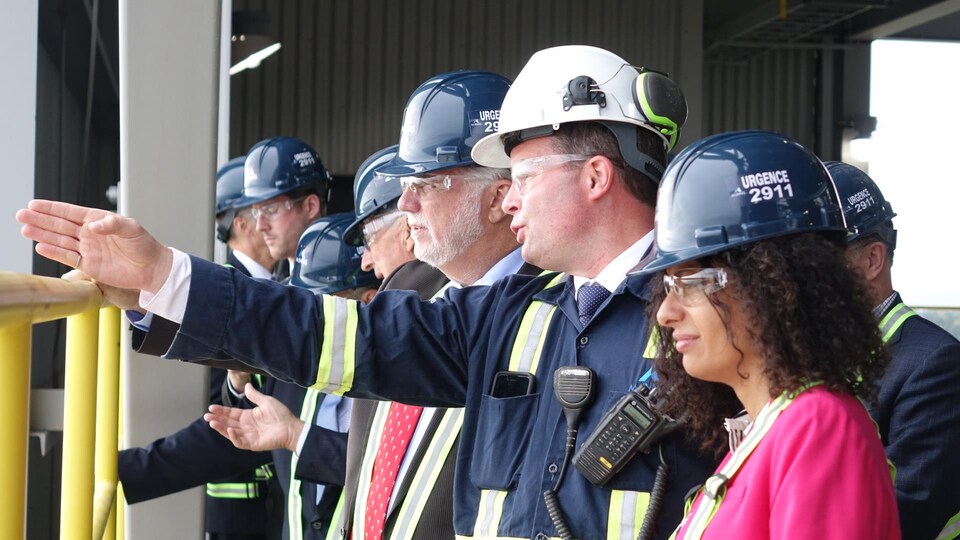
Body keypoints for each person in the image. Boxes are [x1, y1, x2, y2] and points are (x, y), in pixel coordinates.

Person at [18, 45, 715, 539]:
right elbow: (342, 337)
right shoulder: (519, 313)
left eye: (525, 178)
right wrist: (166, 275)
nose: (512, 200)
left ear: (596, 178)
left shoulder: (709, 320)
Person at [634, 130, 899, 538]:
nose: (666, 313)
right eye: (667, 287)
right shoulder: (772, 429)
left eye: (690, 282)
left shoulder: (818, 425)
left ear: (773, 284)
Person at [118, 157, 280, 540]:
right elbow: (216, 411)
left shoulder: (281, 285)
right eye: (266, 209)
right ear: (242, 223)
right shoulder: (222, 293)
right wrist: (129, 472)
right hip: (241, 515)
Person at [827, 161, 960, 540]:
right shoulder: (808, 359)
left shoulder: (934, 365)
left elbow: (904, 516)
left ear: (872, 260)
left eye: (819, 260)